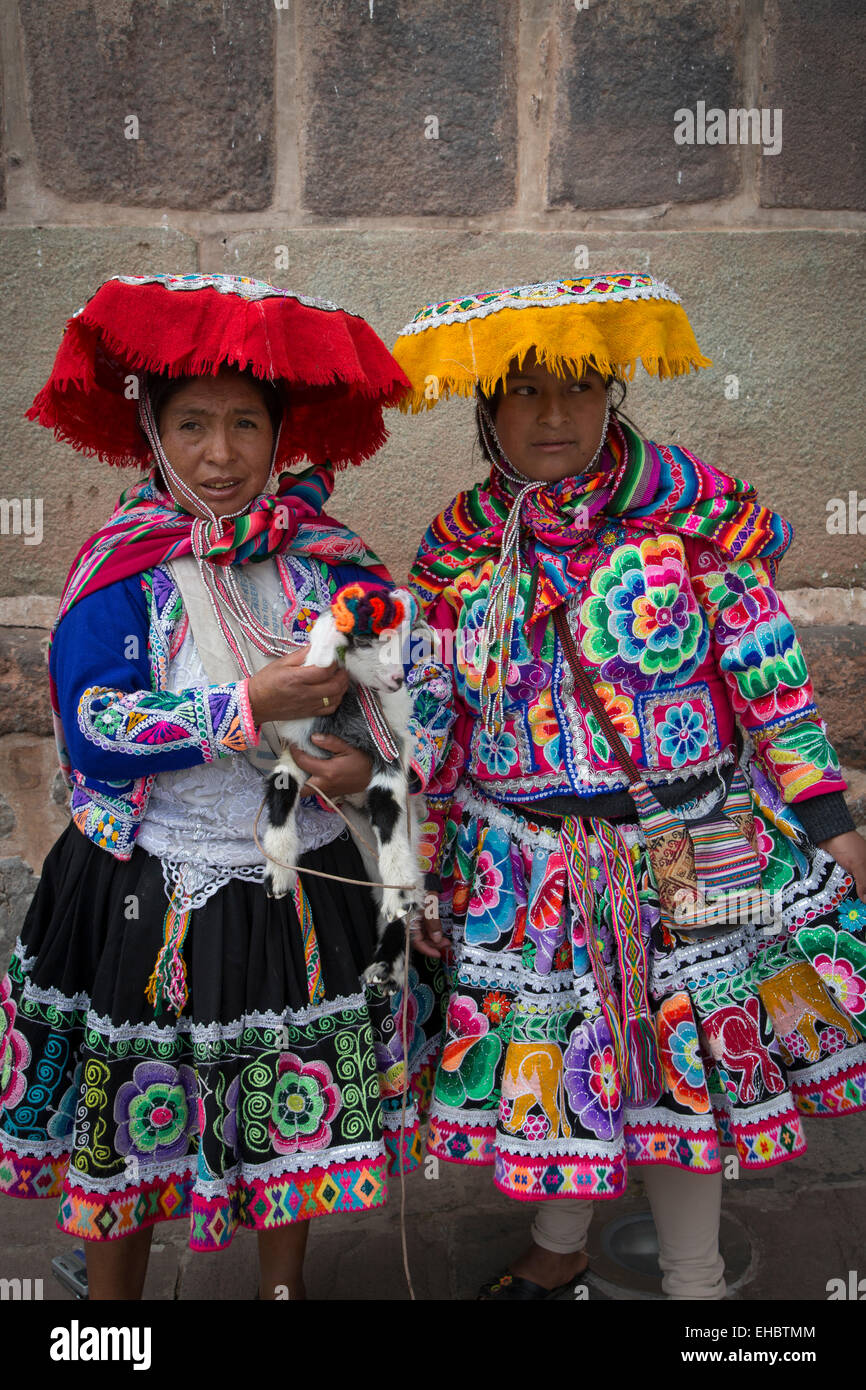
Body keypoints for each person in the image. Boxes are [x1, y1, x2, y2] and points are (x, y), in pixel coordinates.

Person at [391, 273, 866, 1300]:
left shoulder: (695, 525)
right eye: (524, 391)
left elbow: (767, 672)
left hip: (693, 845)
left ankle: (693, 1282)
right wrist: (416, 864)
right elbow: (434, 717)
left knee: (672, 1078)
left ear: (614, 394)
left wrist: (825, 814)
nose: (552, 415)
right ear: (487, 409)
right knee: (566, 1055)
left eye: (578, 387)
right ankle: (562, 1246)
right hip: (527, 863)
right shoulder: (458, 552)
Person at [0, 273, 450, 1300]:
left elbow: (400, 697)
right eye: (191, 422)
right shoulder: (124, 573)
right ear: (152, 431)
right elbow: (97, 728)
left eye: (245, 423)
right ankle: (110, 1314)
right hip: (150, 889)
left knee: (283, 1114)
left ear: (280, 433)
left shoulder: (324, 562)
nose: (219, 452)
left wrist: (366, 767)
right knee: (130, 1118)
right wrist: (241, 701)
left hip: (299, 886)